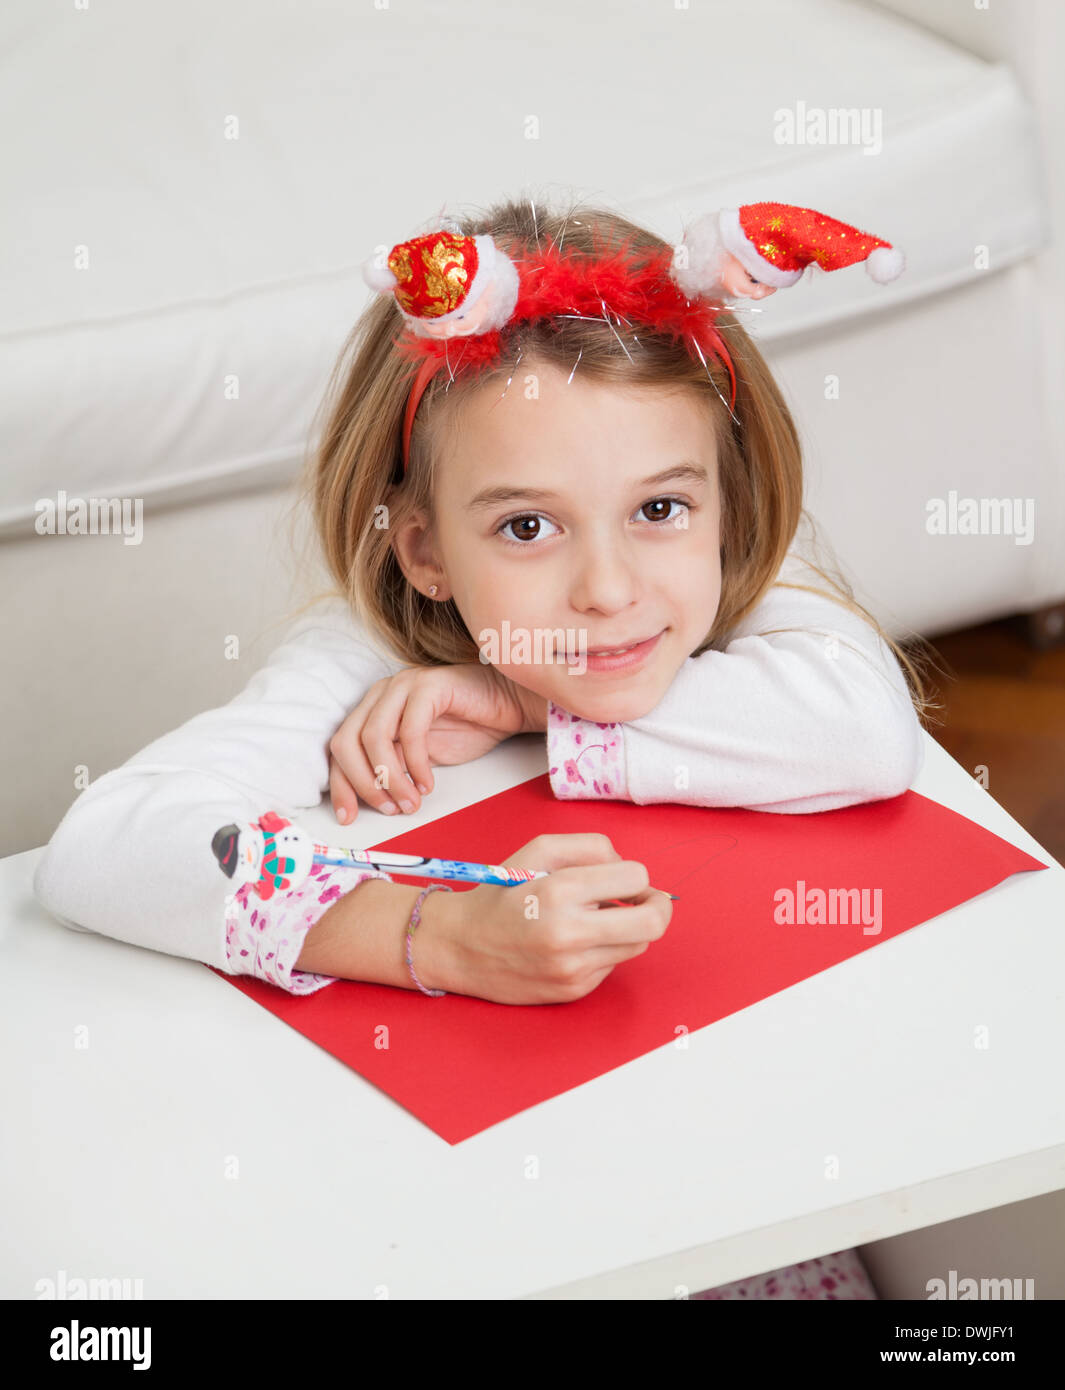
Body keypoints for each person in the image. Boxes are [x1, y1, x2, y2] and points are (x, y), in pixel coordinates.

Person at [33, 194, 940, 1299]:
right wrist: (443, 935)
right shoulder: (359, 657)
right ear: (424, 550)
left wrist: (524, 707)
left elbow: (867, 732)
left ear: (725, 501)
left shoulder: (752, 572)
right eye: (526, 526)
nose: (609, 592)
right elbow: (104, 843)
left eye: (659, 510)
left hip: (748, 1194)